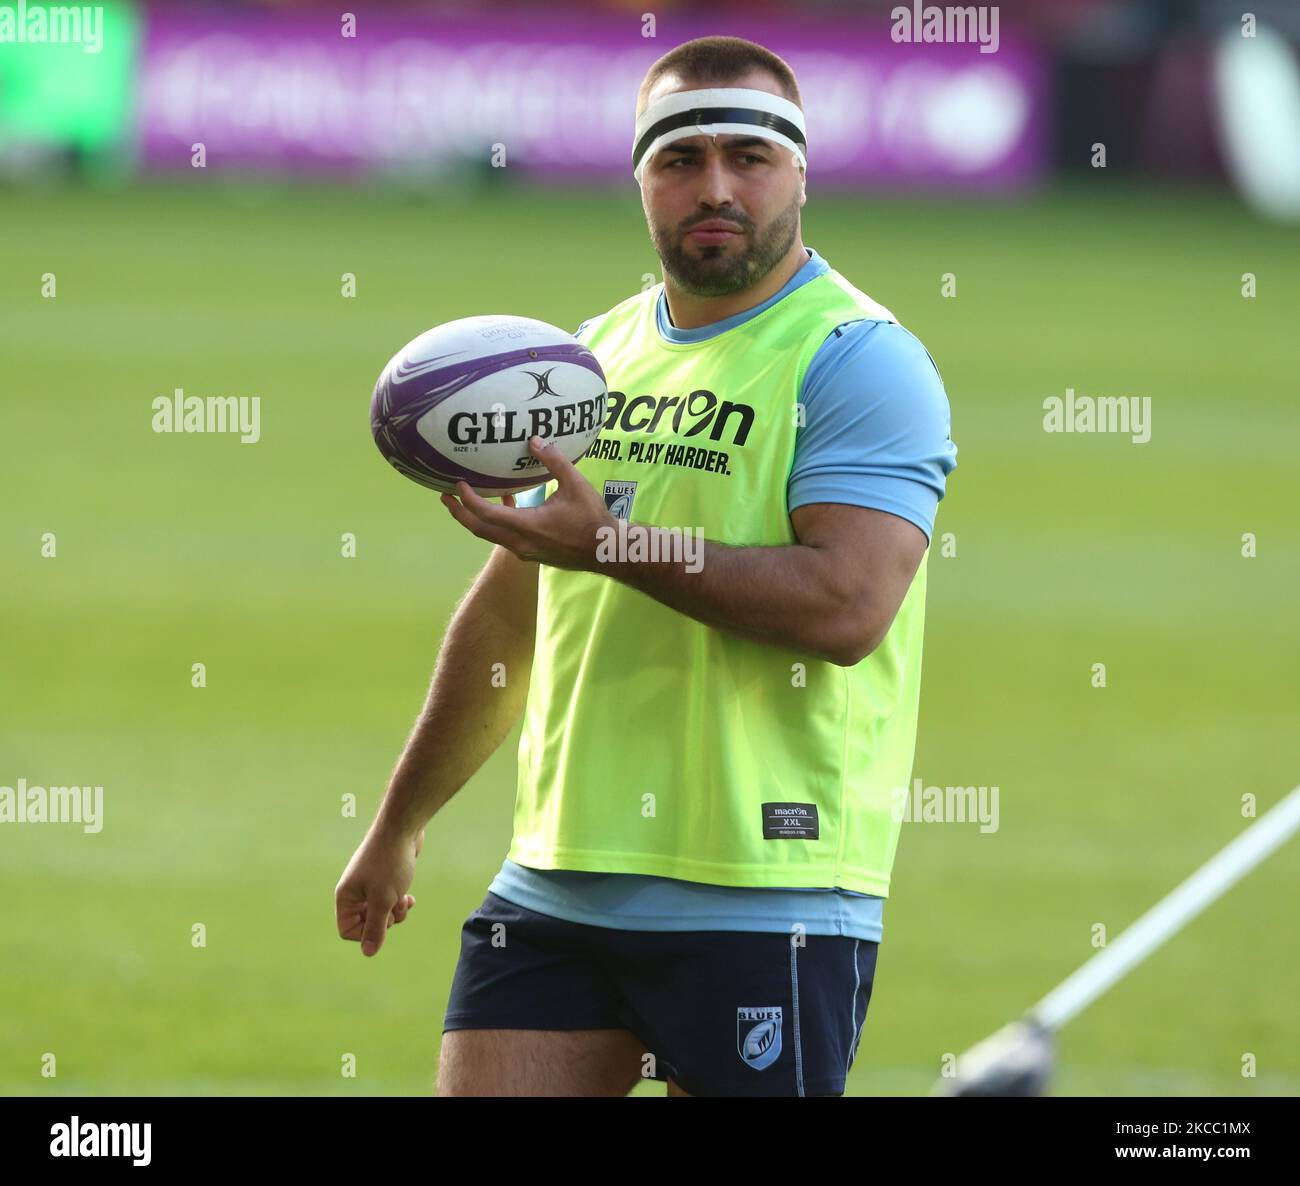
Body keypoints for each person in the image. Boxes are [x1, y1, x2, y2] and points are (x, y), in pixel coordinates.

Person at [335, 34, 957, 1097]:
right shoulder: (589, 361)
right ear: (641, 180)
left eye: (748, 157)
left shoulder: (857, 359)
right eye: (680, 160)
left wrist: (611, 545)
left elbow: (847, 605)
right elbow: (510, 619)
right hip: (559, 880)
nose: (714, 186)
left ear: (799, 171)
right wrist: (401, 821)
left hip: (765, 891)